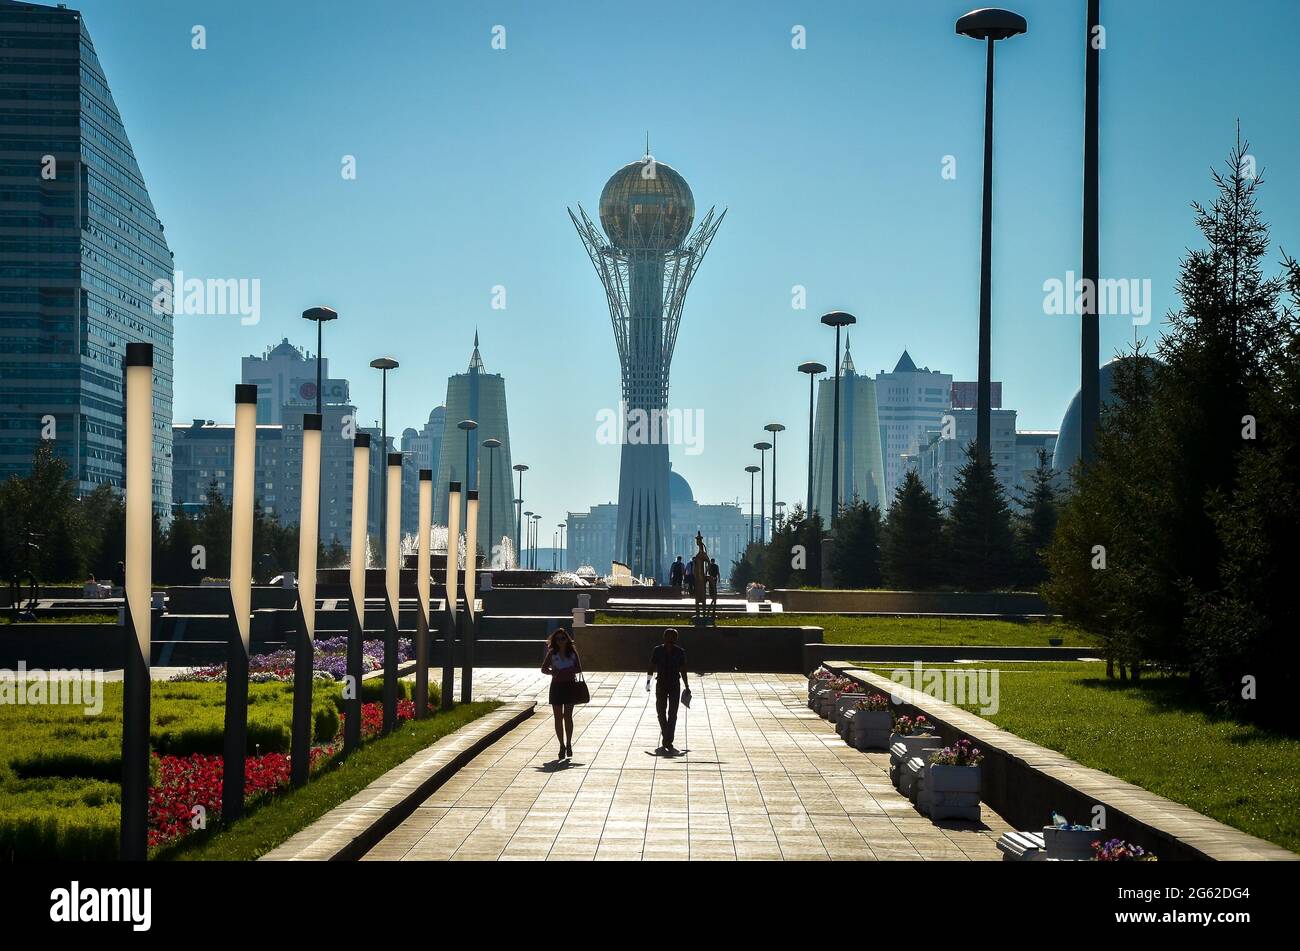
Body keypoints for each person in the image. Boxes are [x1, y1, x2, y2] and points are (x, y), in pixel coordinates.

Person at [541, 628, 582, 759]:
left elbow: (579, 668)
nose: (561, 641)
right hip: (556, 687)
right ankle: (561, 745)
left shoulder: (572, 652)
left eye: (563, 638)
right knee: (558, 718)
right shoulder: (552, 653)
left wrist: (569, 671)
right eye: (558, 639)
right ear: (554, 641)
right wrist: (553, 672)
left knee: (568, 716)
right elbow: (543, 669)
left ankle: (569, 744)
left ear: (567, 639)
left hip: (570, 686)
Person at [647, 627, 689, 754]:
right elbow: (651, 666)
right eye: (668, 637)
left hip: (674, 684)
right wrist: (648, 682)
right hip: (661, 684)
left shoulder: (680, 652)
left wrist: (687, 686)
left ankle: (668, 738)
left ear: (676, 639)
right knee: (660, 711)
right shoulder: (657, 650)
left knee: (673, 713)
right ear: (664, 638)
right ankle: (666, 734)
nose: (671, 640)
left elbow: (683, 670)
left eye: (673, 637)